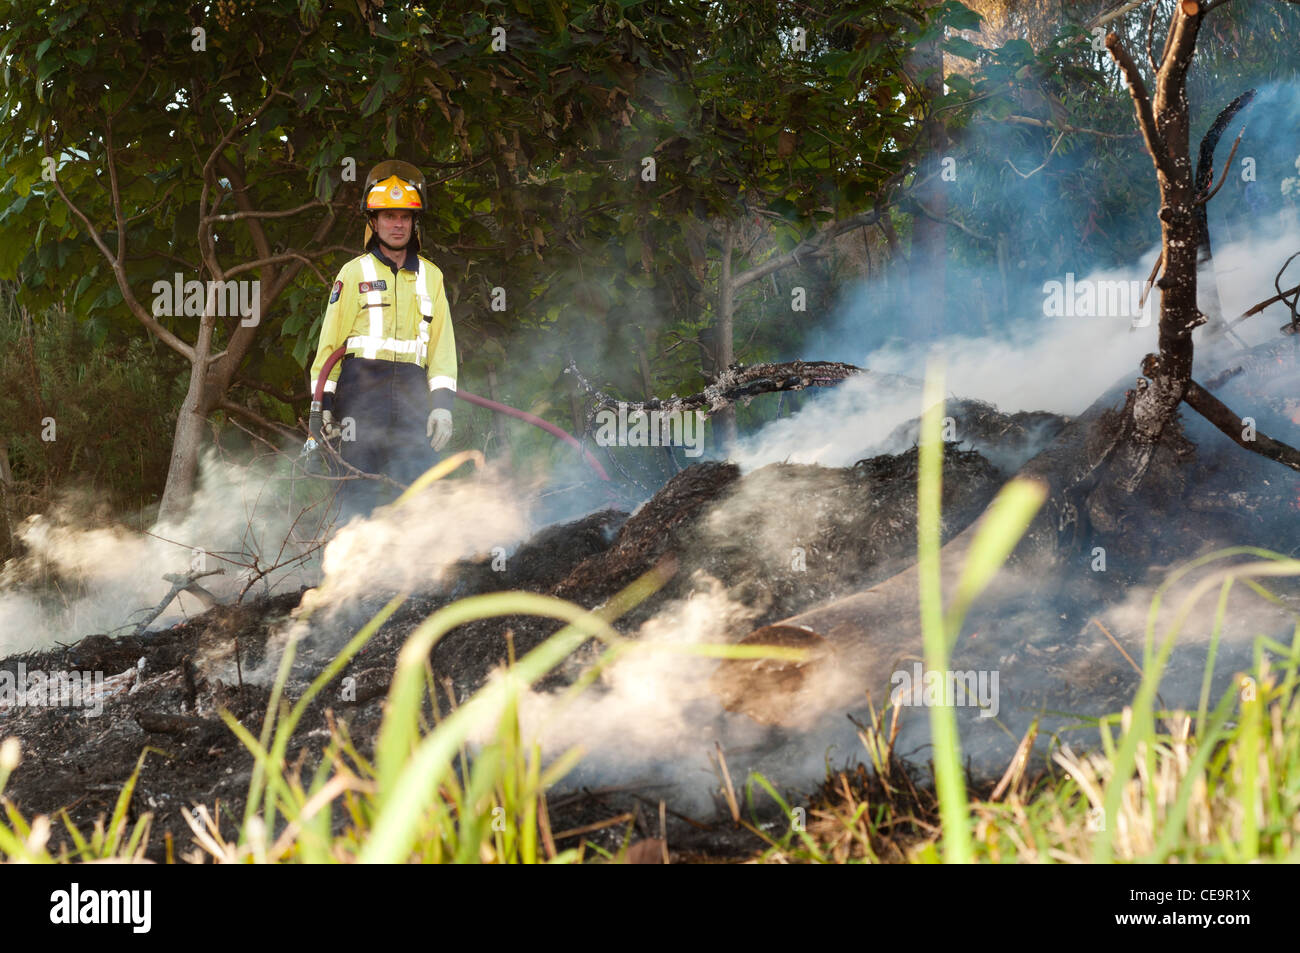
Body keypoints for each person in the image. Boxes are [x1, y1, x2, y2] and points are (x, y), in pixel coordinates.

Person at [308, 160, 457, 520]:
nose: (397, 224)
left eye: (405, 216)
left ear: (414, 222)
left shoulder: (431, 277)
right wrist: (320, 407)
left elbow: (442, 350)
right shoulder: (353, 272)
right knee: (354, 492)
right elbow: (329, 347)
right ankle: (348, 574)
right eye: (388, 216)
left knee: (417, 491)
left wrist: (441, 406)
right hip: (361, 397)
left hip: (412, 399)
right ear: (373, 222)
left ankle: (419, 574)